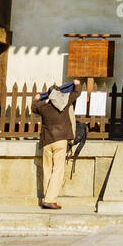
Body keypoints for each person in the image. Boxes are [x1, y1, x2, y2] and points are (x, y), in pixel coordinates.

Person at [33, 80, 78, 210]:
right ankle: (50, 200)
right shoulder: (65, 103)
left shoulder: (43, 107)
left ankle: (46, 198)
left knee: (47, 170)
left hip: (47, 141)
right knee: (58, 171)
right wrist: (77, 84)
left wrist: (37, 99)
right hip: (60, 140)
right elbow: (76, 93)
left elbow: (33, 107)